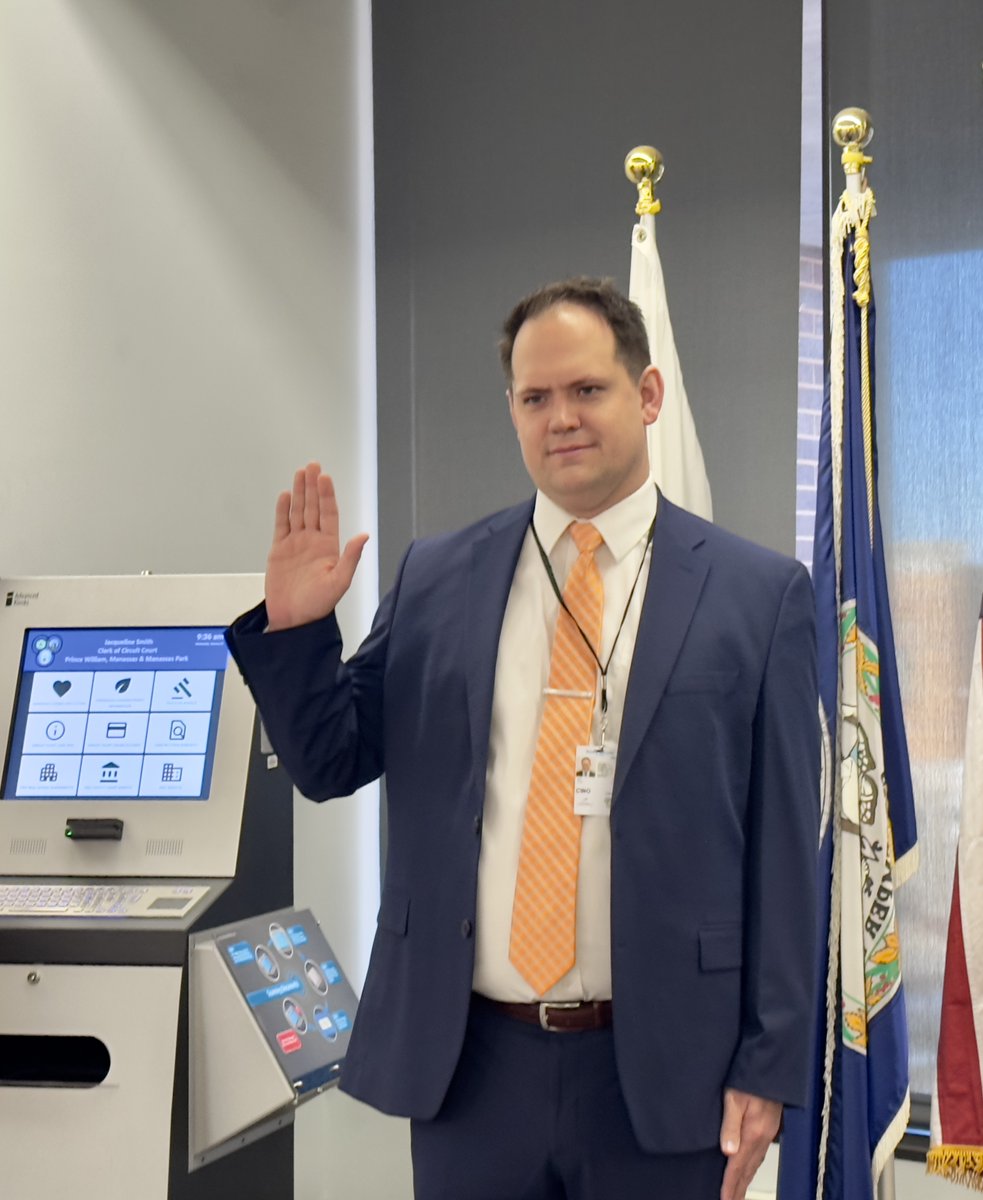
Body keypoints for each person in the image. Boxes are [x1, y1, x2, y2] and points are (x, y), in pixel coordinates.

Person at [227, 277, 819, 1200]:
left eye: (587, 389)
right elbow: (329, 761)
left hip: (668, 1065)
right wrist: (299, 631)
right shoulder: (437, 576)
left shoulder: (757, 595)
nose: (561, 418)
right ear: (511, 410)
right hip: (471, 1066)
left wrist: (769, 1061)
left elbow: (785, 855)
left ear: (647, 394)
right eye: (535, 397)